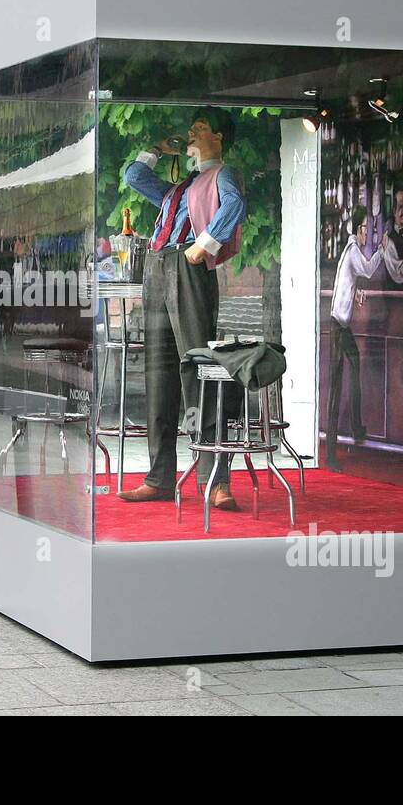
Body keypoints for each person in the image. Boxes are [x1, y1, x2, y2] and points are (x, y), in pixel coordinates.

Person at [117, 108, 246, 511]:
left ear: (220, 137)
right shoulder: (181, 185)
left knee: (199, 370)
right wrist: (158, 147)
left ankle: (216, 480)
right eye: (192, 128)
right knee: (159, 372)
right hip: (157, 267)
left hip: (186, 269)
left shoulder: (221, 174)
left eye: (202, 128)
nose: (193, 132)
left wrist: (201, 246)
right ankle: (159, 477)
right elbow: (134, 178)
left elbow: (235, 204)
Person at [325, 207, 383, 471]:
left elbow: (349, 281)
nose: (367, 235)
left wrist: (356, 292)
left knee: (355, 365)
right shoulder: (353, 253)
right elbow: (369, 270)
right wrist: (382, 249)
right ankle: (332, 453)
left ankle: (356, 426)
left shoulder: (349, 252)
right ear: (357, 230)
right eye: (365, 230)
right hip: (339, 326)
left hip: (340, 325)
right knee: (336, 389)